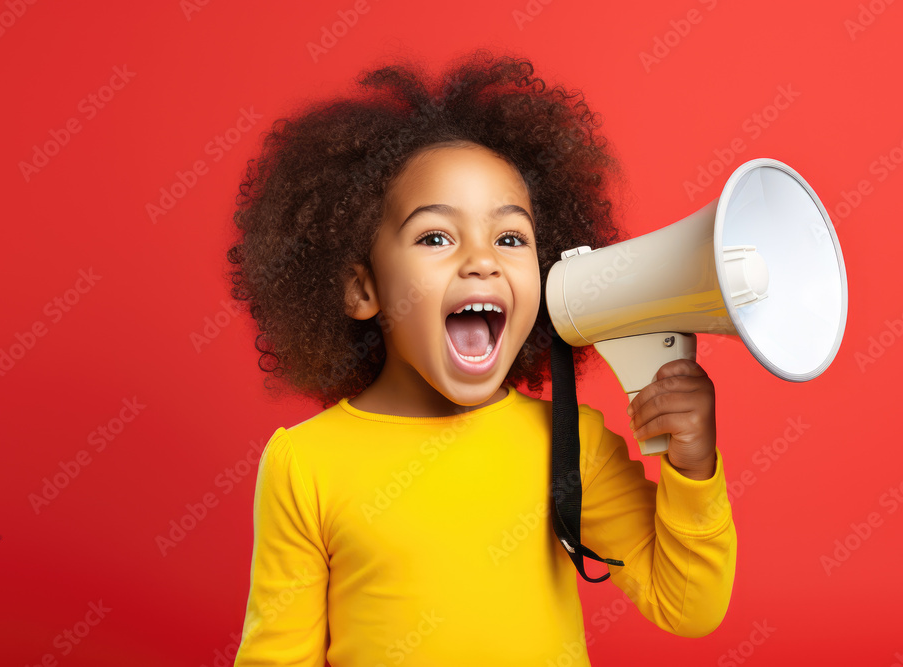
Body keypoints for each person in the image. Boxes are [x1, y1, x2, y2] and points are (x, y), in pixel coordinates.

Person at [226, 48, 736, 666]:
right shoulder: (304, 464)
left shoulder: (570, 443)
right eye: (436, 237)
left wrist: (692, 467)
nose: (483, 260)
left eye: (510, 237)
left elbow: (686, 606)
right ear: (362, 288)